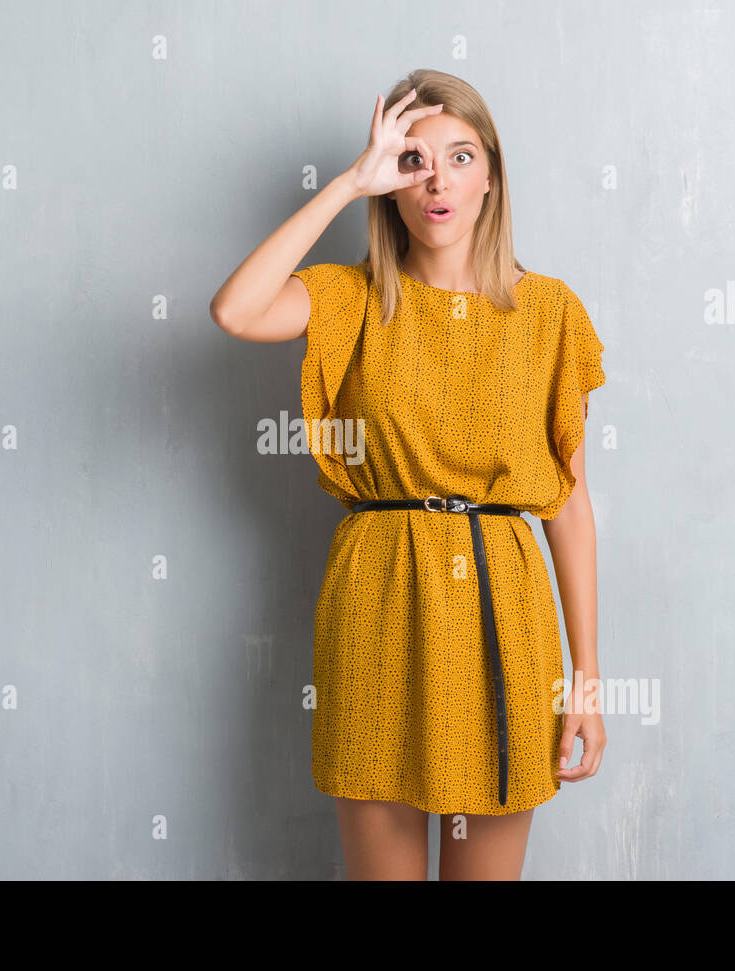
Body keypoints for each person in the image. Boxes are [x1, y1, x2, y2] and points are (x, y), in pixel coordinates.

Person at [210, 69, 607, 880]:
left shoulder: (549, 313)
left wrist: (589, 679)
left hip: (502, 611)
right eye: (415, 160)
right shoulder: (352, 300)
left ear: (492, 175)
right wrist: (350, 182)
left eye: (460, 156)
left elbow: (567, 505)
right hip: (380, 602)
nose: (438, 181)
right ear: (391, 184)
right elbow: (236, 309)